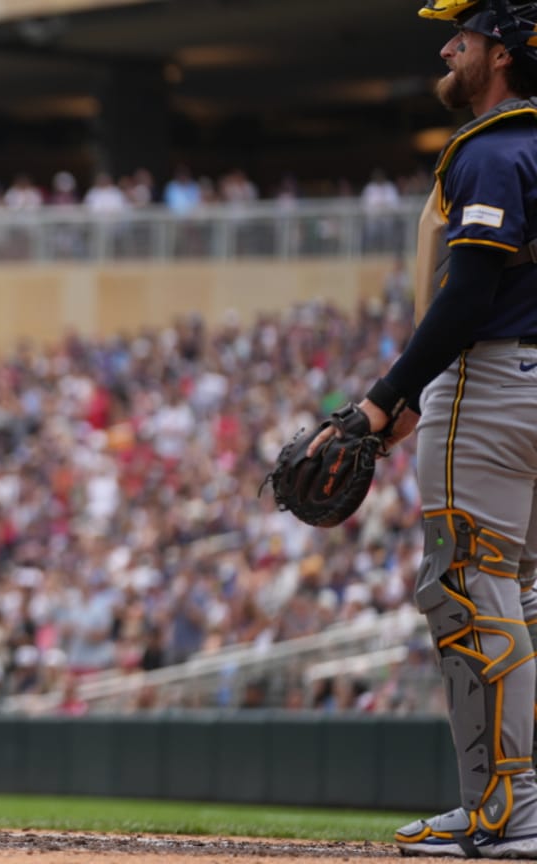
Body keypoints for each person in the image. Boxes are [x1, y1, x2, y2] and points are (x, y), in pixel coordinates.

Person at [322, 1, 537, 855]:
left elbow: (471, 291)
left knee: (469, 590)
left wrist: (386, 398)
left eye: (464, 35)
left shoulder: (492, 149)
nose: (448, 47)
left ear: (504, 54)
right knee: (523, 595)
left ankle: (506, 811)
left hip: (489, 382)